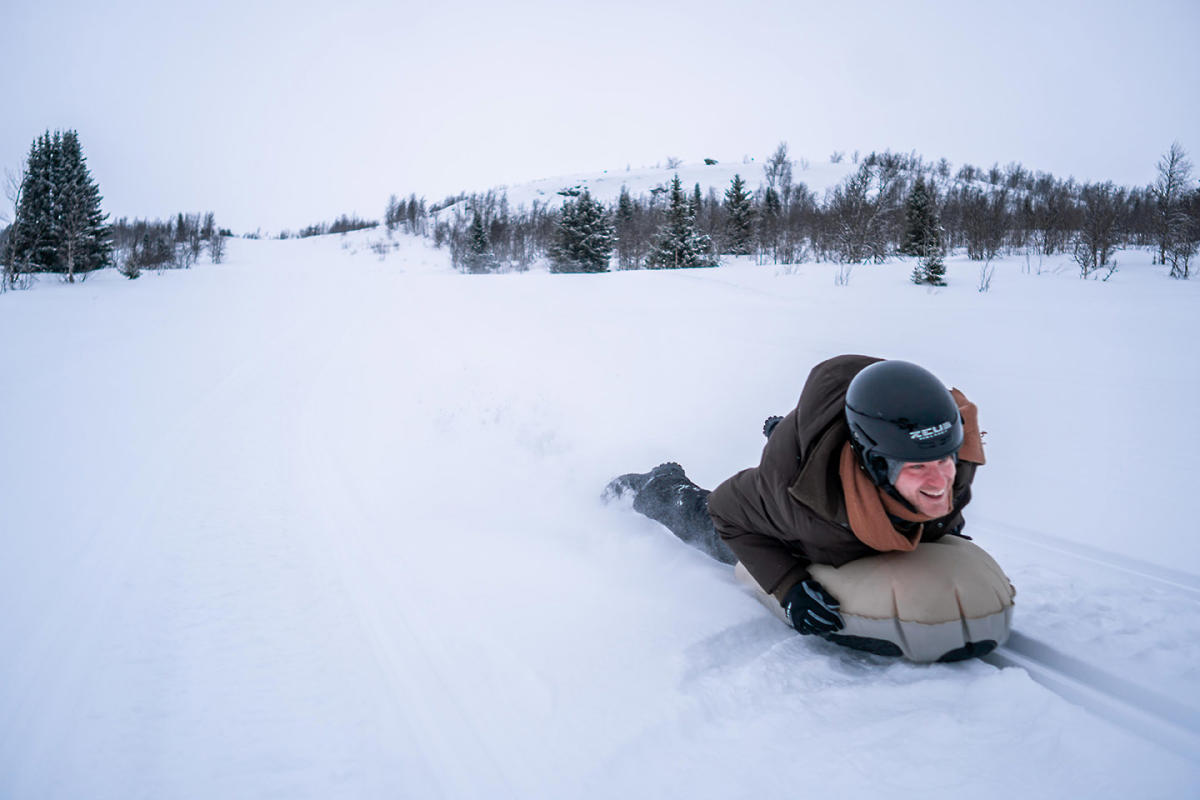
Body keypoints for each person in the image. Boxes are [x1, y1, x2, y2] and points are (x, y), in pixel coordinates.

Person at [604, 354, 986, 645]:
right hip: (778, 497)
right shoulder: (800, 501)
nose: (941, 482)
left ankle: (786, 429)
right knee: (712, 531)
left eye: (944, 460)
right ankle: (659, 484)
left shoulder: (951, 457)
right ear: (874, 461)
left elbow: (942, 479)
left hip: (839, 428)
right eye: (918, 467)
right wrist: (788, 584)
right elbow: (726, 511)